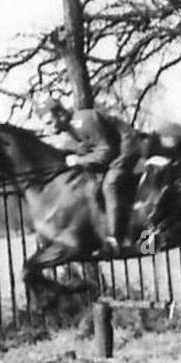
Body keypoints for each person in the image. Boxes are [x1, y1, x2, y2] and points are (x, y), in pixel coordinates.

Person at [47, 99, 141, 254]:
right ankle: (100, 234)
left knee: (110, 184)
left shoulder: (84, 120)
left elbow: (105, 151)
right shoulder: (70, 129)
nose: (49, 128)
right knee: (91, 189)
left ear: (61, 114)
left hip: (126, 149)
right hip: (112, 153)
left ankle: (115, 239)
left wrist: (78, 161)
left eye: (50, 122)